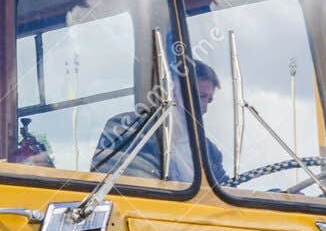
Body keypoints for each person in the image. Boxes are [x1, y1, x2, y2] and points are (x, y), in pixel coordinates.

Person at [93, 59, 226, 183]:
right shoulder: (126, 128)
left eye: (209, 100)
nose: (205, 108)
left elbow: (223, 188)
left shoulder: (209, 151)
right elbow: (124, 183)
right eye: (201, 97)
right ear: (173, 91)